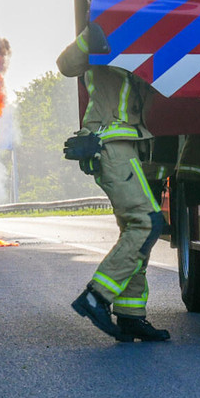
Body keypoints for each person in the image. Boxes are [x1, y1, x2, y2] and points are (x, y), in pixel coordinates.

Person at [57, 21, 170, 343]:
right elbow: (66, 65)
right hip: (110, 147)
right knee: (147, 223)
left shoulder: (139, 42)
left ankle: (131, 314)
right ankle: (96, 297)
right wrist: (90, 36)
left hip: (124, 147)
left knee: (134, 228)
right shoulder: (102, 39)